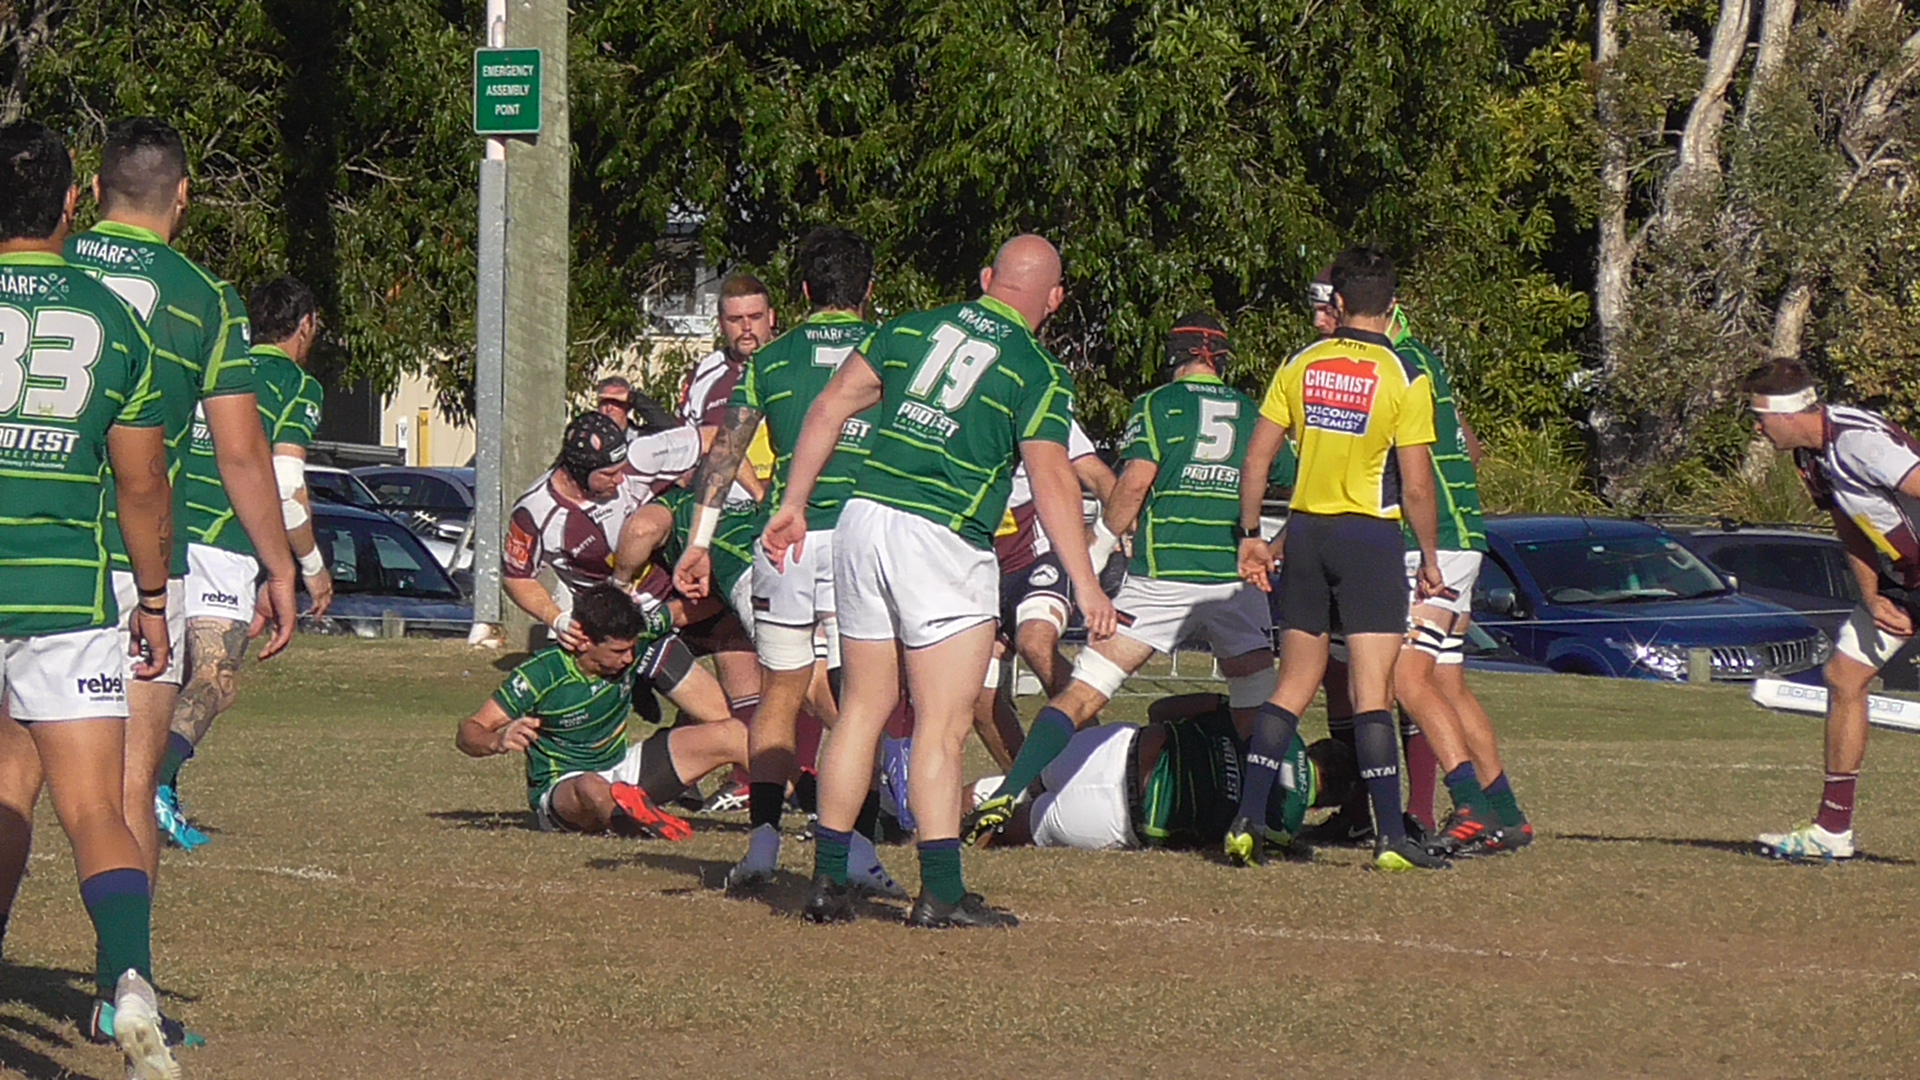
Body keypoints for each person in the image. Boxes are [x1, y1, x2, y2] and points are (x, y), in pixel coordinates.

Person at [765, 233, 1116, 929]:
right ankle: (941, 892)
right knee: (943, 724)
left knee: (862, 707)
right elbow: (1051, 477)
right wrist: (1086, 581)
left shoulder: (908, 328)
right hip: (943, 538)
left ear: (986, 277)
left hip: (863, 518)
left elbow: (830, 406)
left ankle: (829, 882)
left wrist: (793, 502)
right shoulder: (1034, 369)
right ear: (1054, 300)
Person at [53, 118, 298, 872]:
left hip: (46, 537)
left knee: (15, 771)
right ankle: (125, 979)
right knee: (131, 782)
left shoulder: (46, 265)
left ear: (93, 191)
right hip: (147, 559)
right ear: (183, 196)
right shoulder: (206, 299)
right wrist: (280, 567)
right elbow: (241, 452)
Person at [0, 119, 184, 1080]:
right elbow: (143, 481)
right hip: (66, 584)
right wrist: (152, 597)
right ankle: (130, 983)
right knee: (92, 804)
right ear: (70, 205)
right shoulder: (116, 317)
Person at [965, 314, 1282, 846]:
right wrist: (1269, 546)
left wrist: (1101, 544)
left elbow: (1133, 486)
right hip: (1232, 577)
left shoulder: (1158, 404)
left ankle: (1012, 788)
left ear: (1175, 355)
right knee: (1257, 701)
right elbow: (1294, 480)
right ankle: (1257, 817)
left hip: (1162, 576)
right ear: (1221, 358)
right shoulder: (1254, 412)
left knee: (1083, 693)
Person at [672, 227, 894, 893]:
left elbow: (726, 453)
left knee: (782, 690)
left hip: (788, 541)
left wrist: (699, 541)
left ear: (800, 292)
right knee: (864, 698)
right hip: (863, 537)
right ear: (870, 290)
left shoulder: (771, 360)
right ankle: (856, 848)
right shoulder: (894, 349)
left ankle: (765, 846)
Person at [1227, 246, 1450, 872]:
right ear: (1394, 307)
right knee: (1371, 691)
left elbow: (1257, 457)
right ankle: (1390, 837)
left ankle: (1249, 819)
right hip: (1371, 538)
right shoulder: (1406, 374)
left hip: (1306, 532)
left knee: (1294, 683)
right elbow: (1416, 486)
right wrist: (1429, 554)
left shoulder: (1301, 362)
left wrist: (1251, 532)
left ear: (1339, 304)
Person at [150, 275, 336, 850]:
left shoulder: (210, 361)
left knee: (166, 680)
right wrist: (309, 567)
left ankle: (154, 789)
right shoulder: (294, 384)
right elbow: (283, 483)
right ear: (304, 325)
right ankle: (151, 787)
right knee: (215, 679)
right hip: (224, 541)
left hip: (166, 532)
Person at [1744, 358, 1920, 862]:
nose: (1758, 429)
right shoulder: (1810, 457)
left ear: (1787, 413)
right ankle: (1832, 831)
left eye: (1760, 417)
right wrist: (1873, 595)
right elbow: (1851, 525)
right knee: (1844, 677)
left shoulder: (1857, 441)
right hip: (1901, 579)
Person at [457, 585, 748, 836]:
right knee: (590, 786)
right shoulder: (542, 673)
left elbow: (688, 610)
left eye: (632, 648)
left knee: (734, 733)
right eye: (618, 652)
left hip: (624, 770)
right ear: (583, 640)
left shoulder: (636, 637)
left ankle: (788, 797)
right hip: (564, 787)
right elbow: (469, 731)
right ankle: (633, 820)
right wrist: (498, 741)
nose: (630, 658)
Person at [983, 693, 1356, 853]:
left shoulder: (1265, 725)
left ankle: (928, 821)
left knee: (995, 795)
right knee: (1004, 829)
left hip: (1116, 749)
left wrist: (1222, 708)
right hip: (1120, 818)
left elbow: (1159, 709)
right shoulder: (1285, 832)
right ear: (1319, 808)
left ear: (1313, 746)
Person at [973, 418, 1115, 768]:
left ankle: (1097, 761)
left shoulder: (1040, 401)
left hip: (1038, 552)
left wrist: (1114, 535)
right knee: (980, 699)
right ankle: (1027, 789)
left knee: (1035, 642)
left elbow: (1097, 475)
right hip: (981, 562)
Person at [680, 274, 776, 502]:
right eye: (735, 319)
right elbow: (686, 444)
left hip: (778, 501)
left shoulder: (795, 364)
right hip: (719, 506)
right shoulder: (706, 374)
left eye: (755, 317)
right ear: (721, 323)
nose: (746, 327)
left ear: (771, 317)